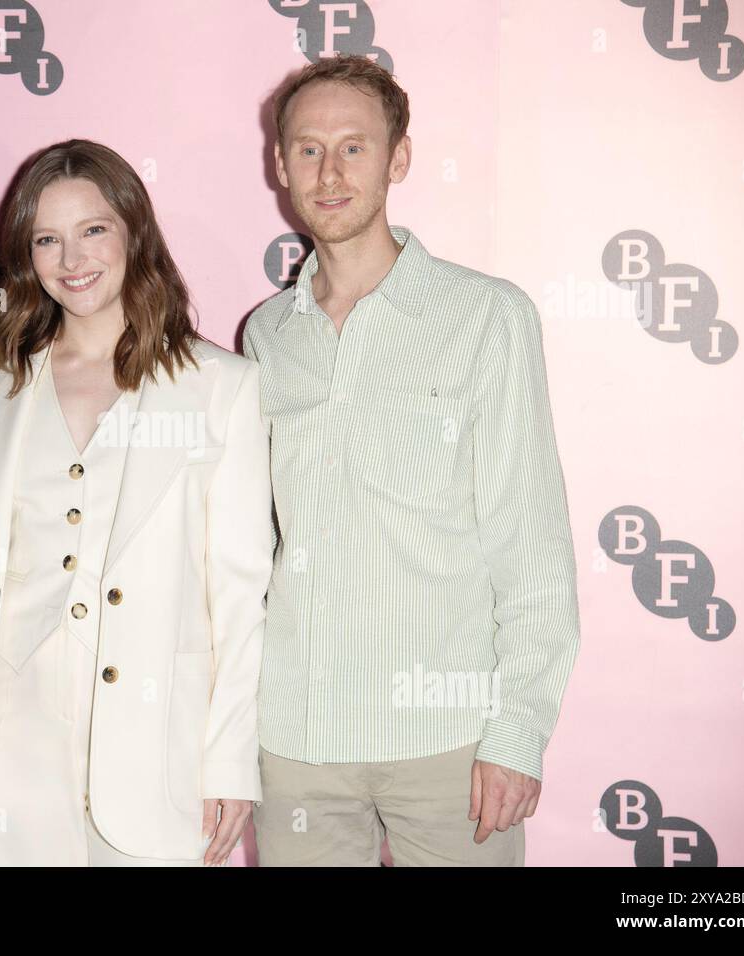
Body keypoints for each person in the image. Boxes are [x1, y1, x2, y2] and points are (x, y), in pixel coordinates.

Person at [243, 55, 581, 866]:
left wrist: (516, 733)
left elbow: (530, 542)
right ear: (279, 163)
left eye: (354, 148)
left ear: (398, 159)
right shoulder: (264, 337)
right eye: (308, 148)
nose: (329, 173)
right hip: (297, 738)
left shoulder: (486, 318)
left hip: (451, 741)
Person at [0, 139, 270, 866]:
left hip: (155, 753)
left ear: (132, 232)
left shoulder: (221, 387)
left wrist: (229, 763)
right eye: (47, 240)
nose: (72, 259)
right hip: (10, 750)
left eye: (92, 230)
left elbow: (241, 595)